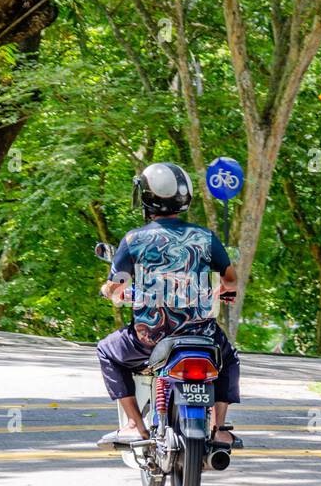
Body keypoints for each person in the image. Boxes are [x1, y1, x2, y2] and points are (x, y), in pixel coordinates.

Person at [96, 162, 241, 447]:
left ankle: (135, 425)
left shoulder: (134, 240)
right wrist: (220, 292)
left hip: (150, 339)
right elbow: (231, 281)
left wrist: (109, 291)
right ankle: (220, 428)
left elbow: (116, 287)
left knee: (107, 351)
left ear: (146, 198)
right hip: (202, 337)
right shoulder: (205, 237)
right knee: (229, 357)